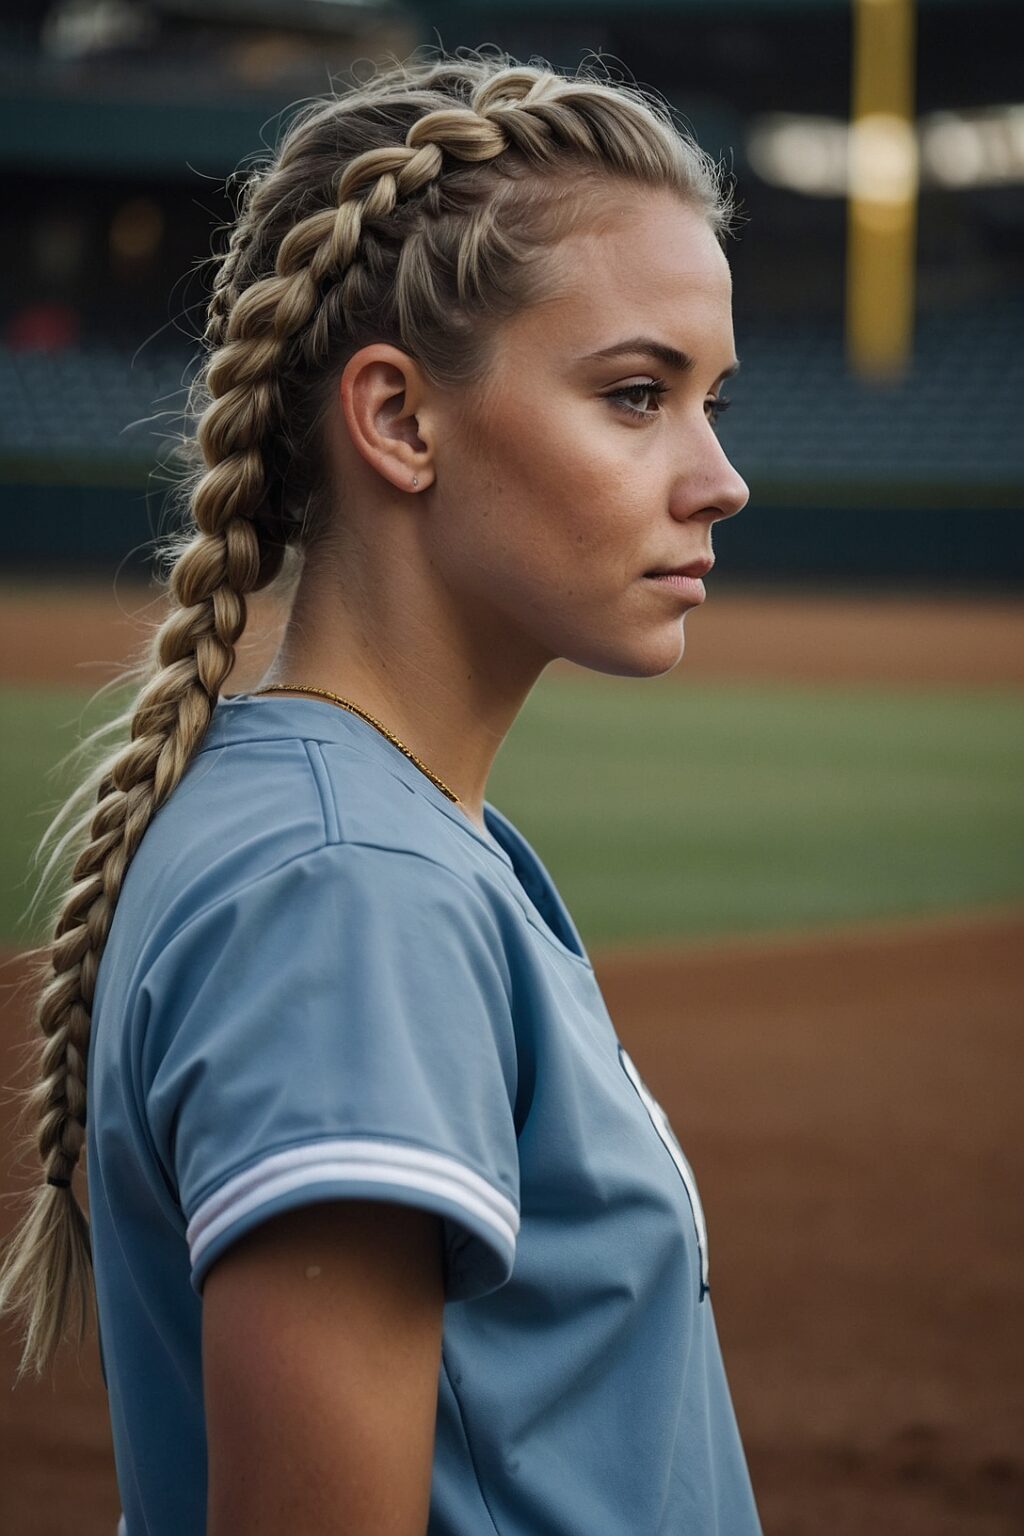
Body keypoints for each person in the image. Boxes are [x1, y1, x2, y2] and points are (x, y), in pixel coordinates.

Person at [0, 48, 758, 1536]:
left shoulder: (350, 833)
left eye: (710, 397)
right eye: (634, 396)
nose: (719, 477)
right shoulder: (348, 891)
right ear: (400, 421)